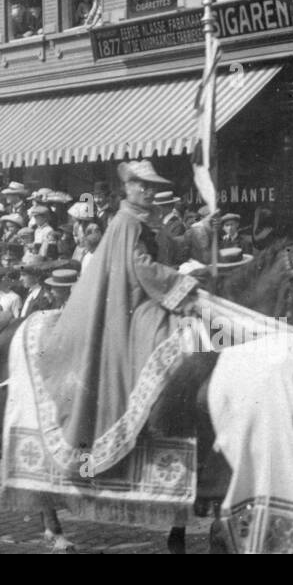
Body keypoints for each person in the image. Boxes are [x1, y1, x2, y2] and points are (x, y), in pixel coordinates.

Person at [36, 160, 201, 459]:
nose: (149, 191)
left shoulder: (147, 219)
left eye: (153, 187)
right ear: (128, 187)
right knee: (164, 338)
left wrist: (201, 235)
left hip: (149, 293)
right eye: (143, 185)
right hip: (133, 301)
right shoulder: (127, 221)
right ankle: (148, 419)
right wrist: (181, 282)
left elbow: (170, 251)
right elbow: (141, 267)